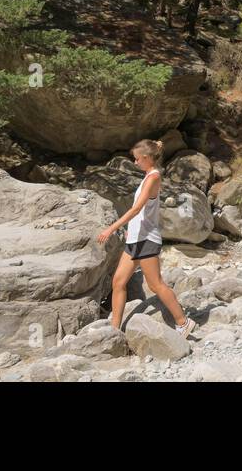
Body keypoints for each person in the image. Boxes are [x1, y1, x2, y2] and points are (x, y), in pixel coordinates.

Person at [98, 139, 193, 338]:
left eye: (137, 159)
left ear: (147, 158)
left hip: (147, 240)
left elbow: (136, 209)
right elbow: (142, 214)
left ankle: (183, 323)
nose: (135, 163)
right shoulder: (147, 176)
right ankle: (115, 330)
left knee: (155, 284)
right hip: (135, 239)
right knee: (118, 282)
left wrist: (111, 228)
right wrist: (129, 231)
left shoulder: (153, 178)